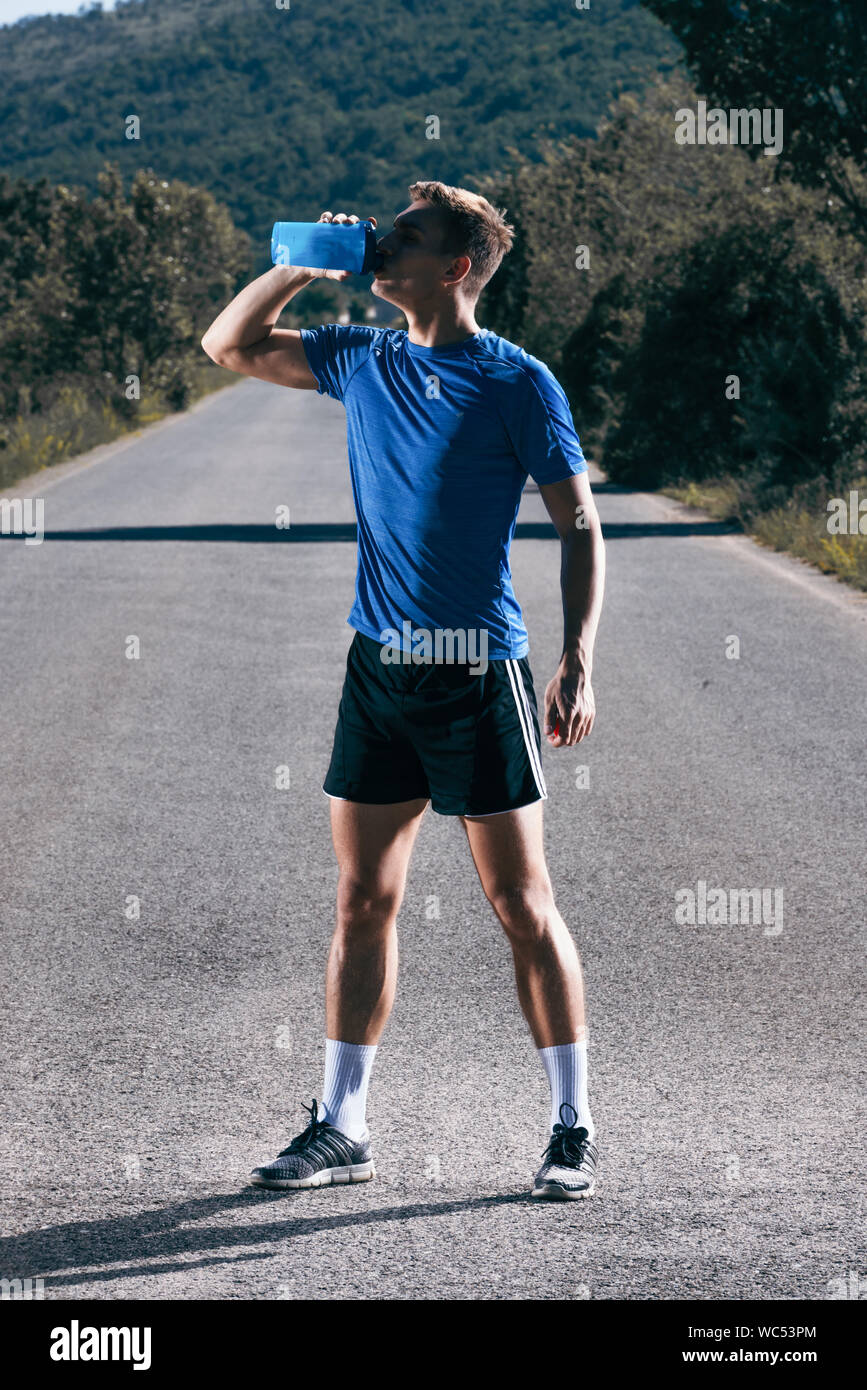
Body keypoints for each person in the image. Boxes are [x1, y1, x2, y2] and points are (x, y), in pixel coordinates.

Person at [201, 181, 606, 1199]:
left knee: (520, 901)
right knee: (362, 896)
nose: (385, 247)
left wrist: (576, 658)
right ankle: (342, 1124)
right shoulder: (360, 356)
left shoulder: (518, 382)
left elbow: (579, 526)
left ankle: (572, 1123)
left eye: (408, 240)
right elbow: (229, 344)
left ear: (459, 267)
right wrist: (311, 256)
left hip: (478, 667)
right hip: (379, 666)